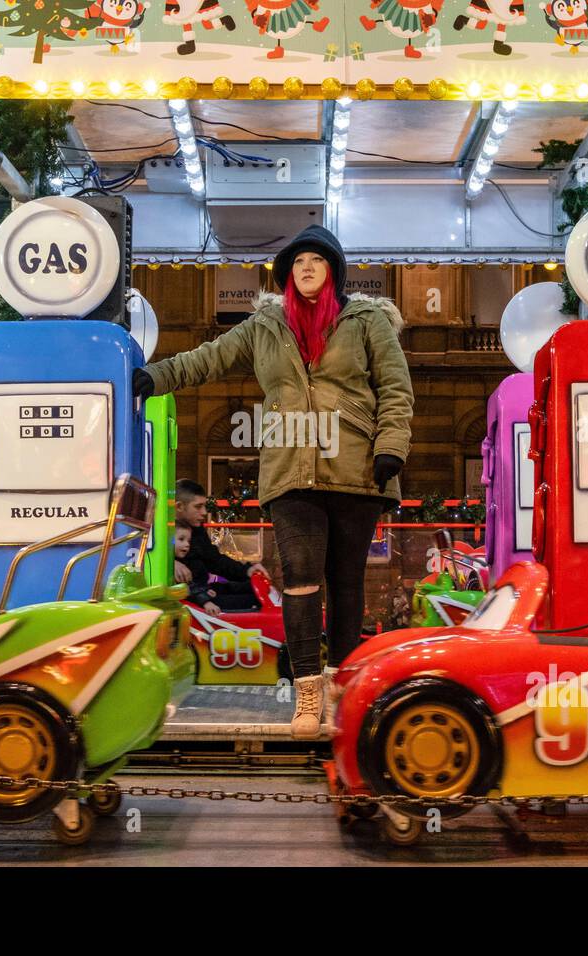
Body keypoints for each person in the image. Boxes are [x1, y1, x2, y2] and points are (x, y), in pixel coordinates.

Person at [134, 224, 414, 738]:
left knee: (348, 585)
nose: (306, 267)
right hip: (290, 471)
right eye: (297, 261)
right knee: (303, 580)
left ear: (333, 272)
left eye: (317, 260)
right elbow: (208, 358)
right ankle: (308, 692)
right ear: (287, 276)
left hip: (356, 468)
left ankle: (343, 692)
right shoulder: (266, 326)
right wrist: (157, 375)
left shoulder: (366, 320)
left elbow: (396, 387)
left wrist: (390, 448)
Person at [174, 517, 260, 614]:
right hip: (197, 604)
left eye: (189, 541)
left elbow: (214, 562)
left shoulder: (184, 559)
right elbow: (188, 587)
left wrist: (206, 591)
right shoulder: (175, 566)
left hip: (203, 592)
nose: (187, 544)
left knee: (236, 587)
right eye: (181, 539)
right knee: (246, 600)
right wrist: (205, 601)